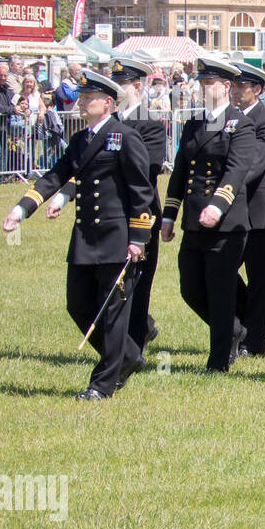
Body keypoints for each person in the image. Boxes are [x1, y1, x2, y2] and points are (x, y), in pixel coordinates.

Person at [0, 70, 155, 399]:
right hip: (85, 237)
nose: (82, 103)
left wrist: (138, 238)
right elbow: (56, 175)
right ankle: (126, 356)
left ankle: (101, 386)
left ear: (108, 103)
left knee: (111, 312)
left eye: (89, 98)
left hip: (117, 237)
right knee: (79, 305)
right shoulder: (80, 140)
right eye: (81, 98)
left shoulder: (125, 136)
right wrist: (21, 209)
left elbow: (142, 191)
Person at [160, 58, 256, 372]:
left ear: (226, 87)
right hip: (194, 221)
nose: (204, 89)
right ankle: (233, 329)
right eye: (201, 83)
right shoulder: (193, 125)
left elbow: (236, 170)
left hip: (226, 222)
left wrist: (217, 206)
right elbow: (180, 172)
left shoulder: (239, 124)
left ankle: (218, 360)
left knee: (220, 290)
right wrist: (169, 215)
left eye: (209, 83)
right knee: (191, 288)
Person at [102, 57, 168, 355]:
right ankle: (135, 331)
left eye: (121, 85)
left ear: (137, 87)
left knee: (138, 282)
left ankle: (135, 342)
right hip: (109, 211)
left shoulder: (150, 125)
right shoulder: (109, 123)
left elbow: (149, 169)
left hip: (140, 212)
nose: (116, 91)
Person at [231, 62, 265, 356]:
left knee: (260, 278)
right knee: (224, 271)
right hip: (228, 209)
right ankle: (243, 323)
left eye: (242, 86)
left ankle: (255, 341)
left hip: (257, 207)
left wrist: (224, 188)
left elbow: (256, 161)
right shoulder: (225, 118)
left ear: (257, 90)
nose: (236, 91)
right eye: (234, 86)